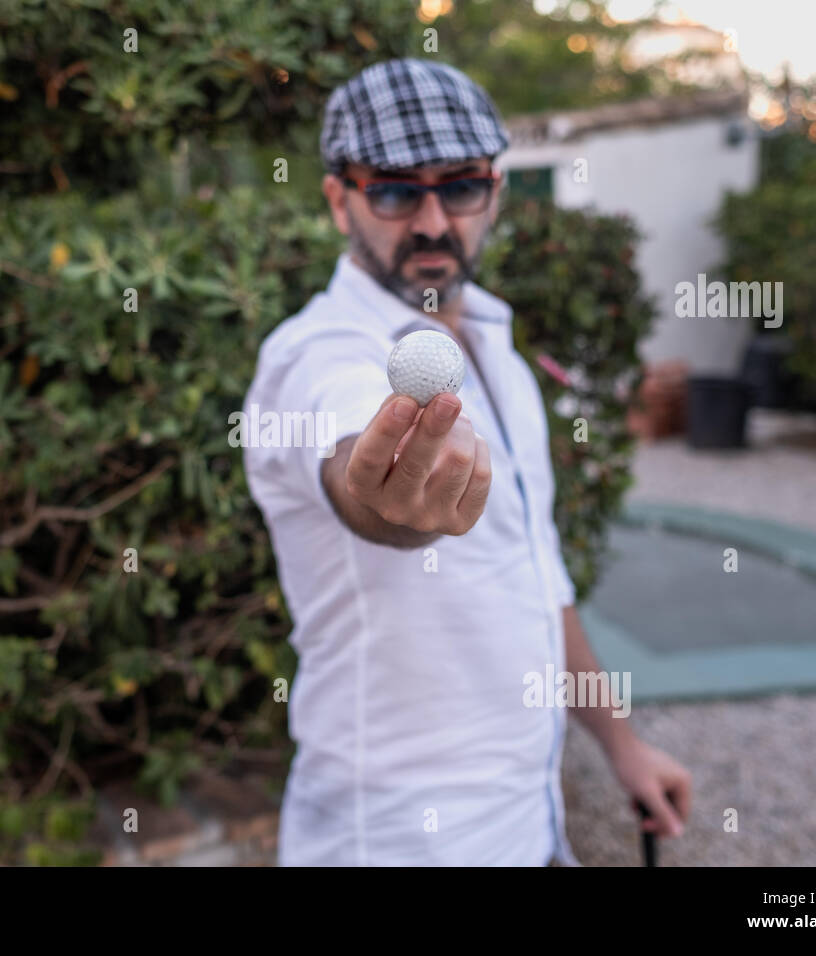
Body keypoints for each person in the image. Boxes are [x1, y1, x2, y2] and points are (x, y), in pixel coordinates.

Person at [243, 58, 692, 866]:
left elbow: (538, 581)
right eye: (391, 190)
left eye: (459, 186)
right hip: (391, 842)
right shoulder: (310, 355)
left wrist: (621, 746)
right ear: (338, 199)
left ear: (496, 192)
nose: (430, 221)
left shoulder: (497, 350)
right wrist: (393, 502)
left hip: (529, 821)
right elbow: (359, 469)